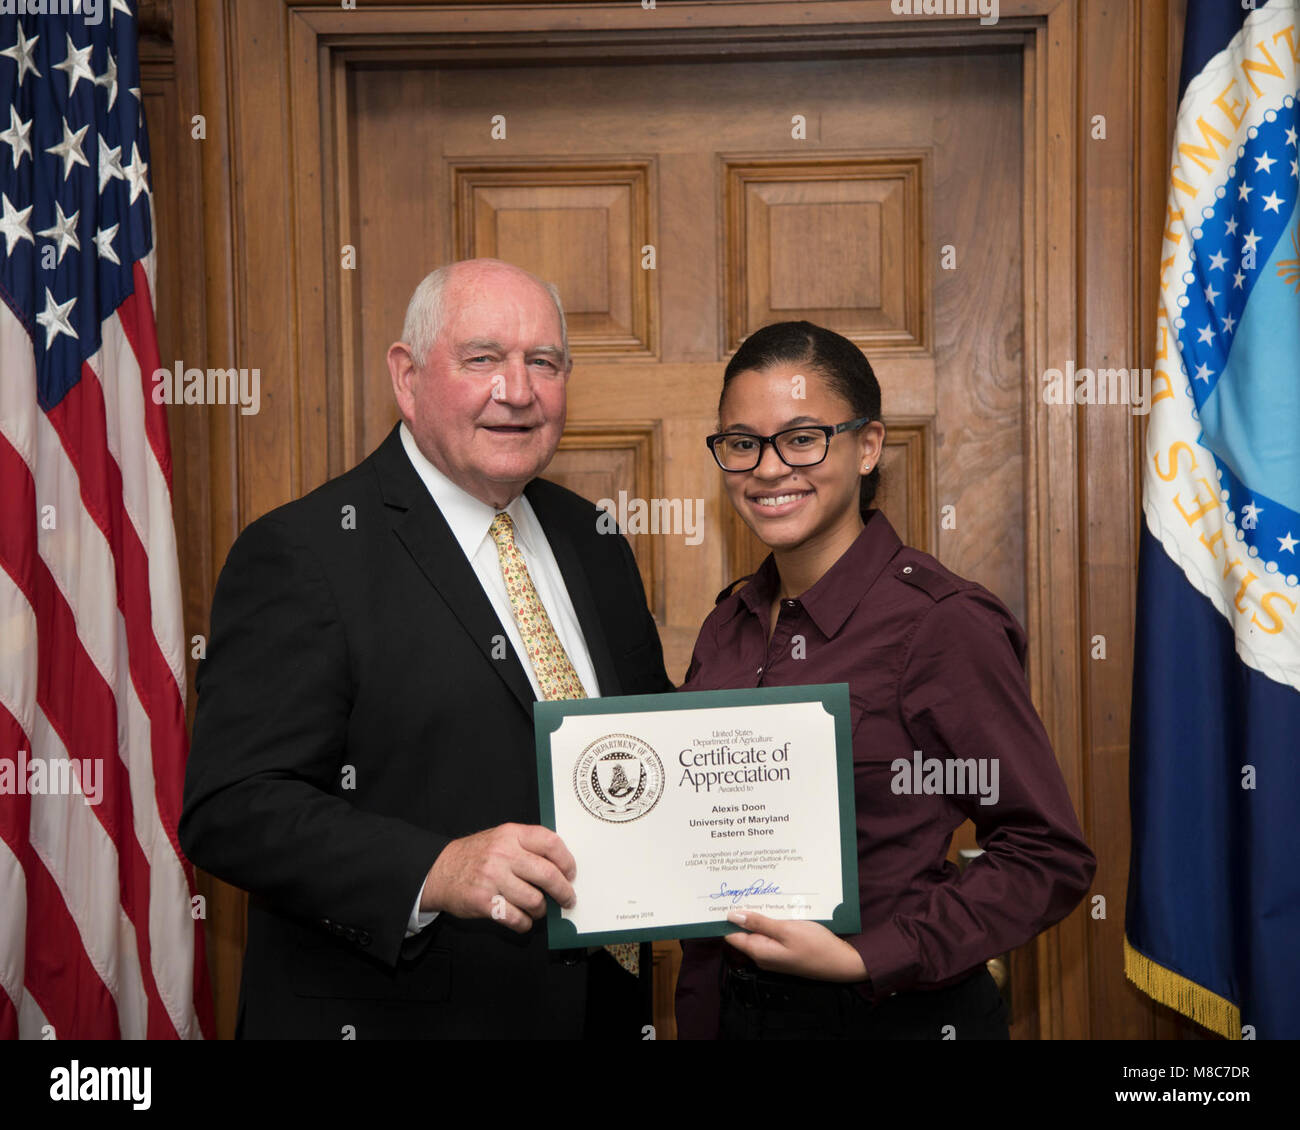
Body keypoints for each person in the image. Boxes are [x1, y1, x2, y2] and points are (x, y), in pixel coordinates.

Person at [180, 259, 670, 1039]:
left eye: (543, 363)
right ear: (406, 378)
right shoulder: (304, 552)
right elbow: (232, 808)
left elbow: (646, 744)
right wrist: (435, 869)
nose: (518, 389)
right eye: (483, 358)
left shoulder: (595, 539)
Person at [673, 321, 1097, 1040]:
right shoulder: (729, 624)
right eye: (742, 443)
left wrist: (862, 959)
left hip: (890, 1020)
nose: (769, 468)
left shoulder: (940, 623)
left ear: (867, 447)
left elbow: (1046, 855)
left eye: (803, 437)